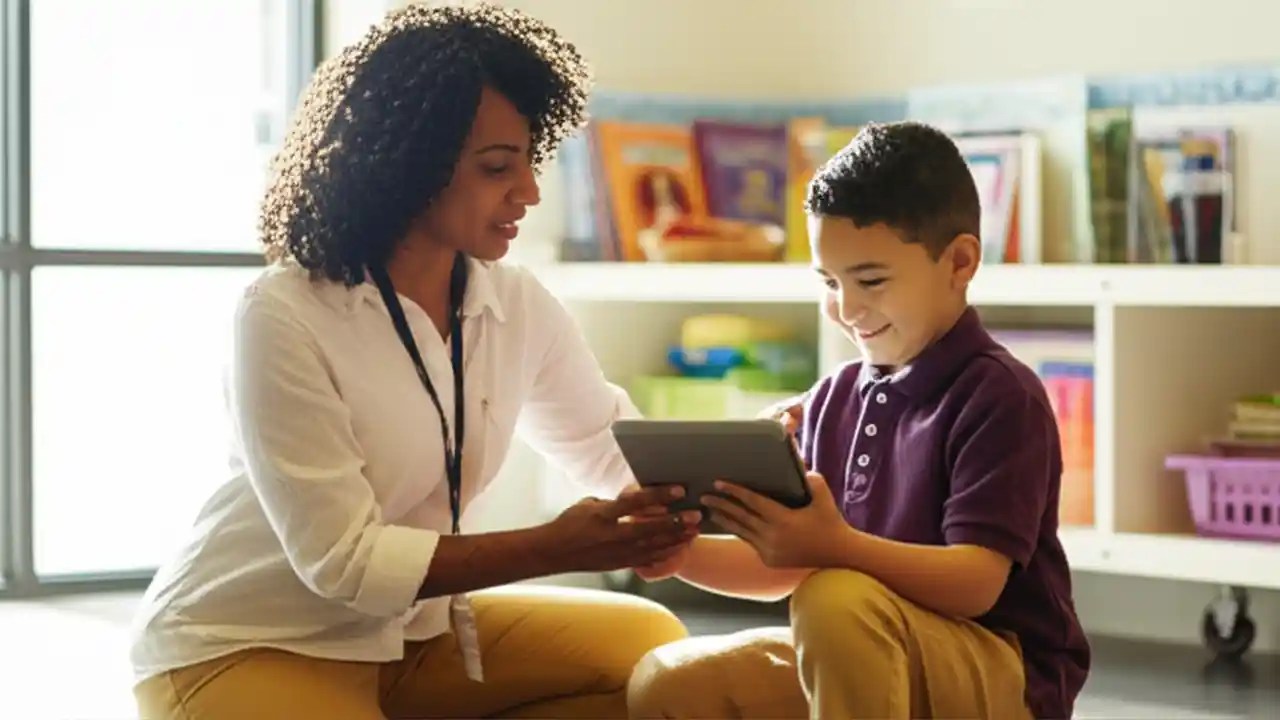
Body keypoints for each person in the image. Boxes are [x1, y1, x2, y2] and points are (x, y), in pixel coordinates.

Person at [129, 5, 702, 719]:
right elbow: (344, 563)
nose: (528, 192)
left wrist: (749, 472)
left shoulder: (515, 303)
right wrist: (555, 547)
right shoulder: (282, 312)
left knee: (652, 649)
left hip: (418, 640)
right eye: (497, 167)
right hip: (252, 641)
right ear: (406, 166)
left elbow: (612, 451)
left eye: (530, 161)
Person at [627, 122, 1092, 720]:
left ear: (959, 262)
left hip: (1002, 672)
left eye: (871, 281)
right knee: (673, 683)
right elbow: (785, 560)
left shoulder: (1000, 395)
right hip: (865, 651)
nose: (846, 308)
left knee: (832, 598)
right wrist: (678, 554)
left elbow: (976, 583)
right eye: (829, 282)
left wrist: (838, 546)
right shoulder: (832, 398)